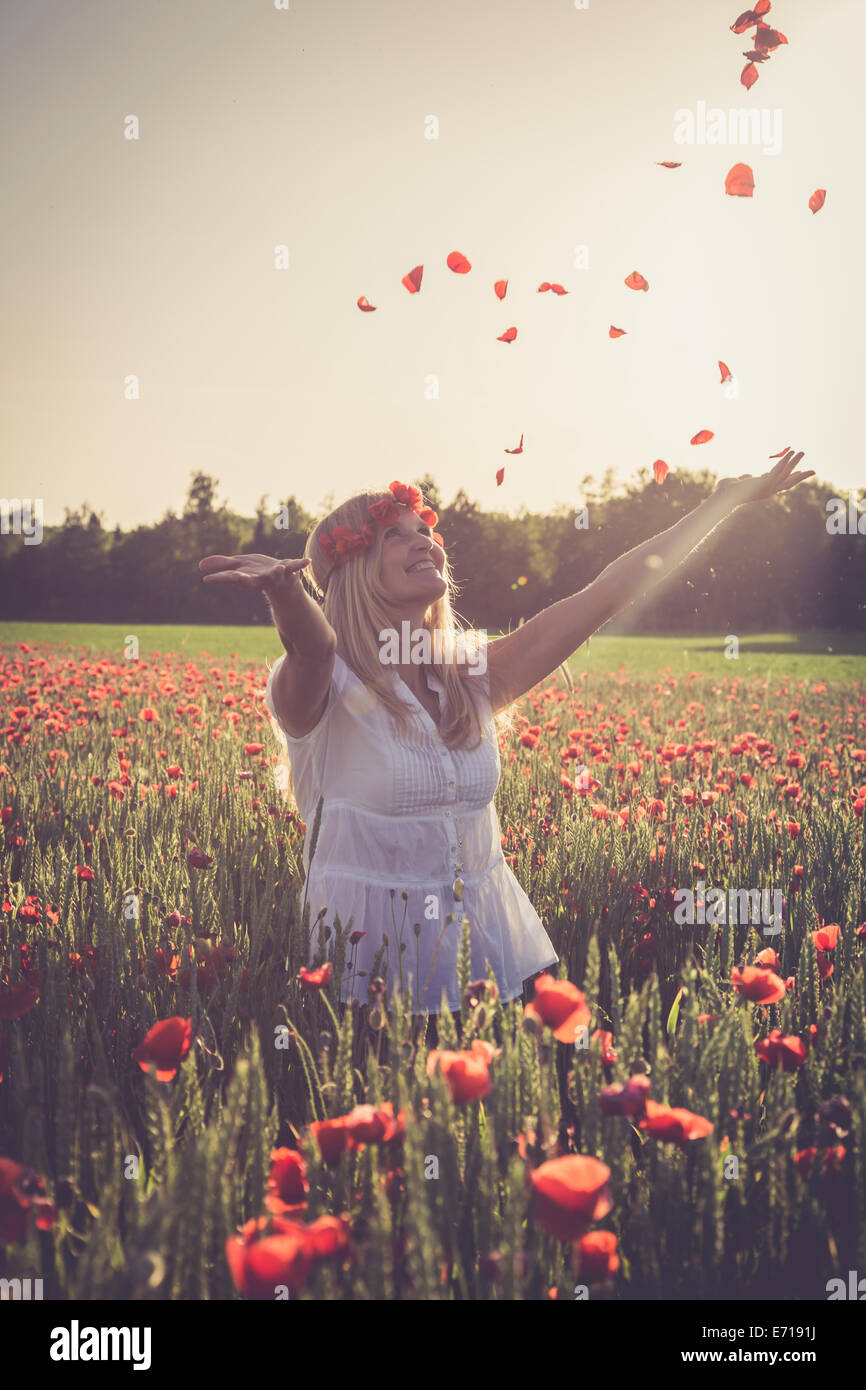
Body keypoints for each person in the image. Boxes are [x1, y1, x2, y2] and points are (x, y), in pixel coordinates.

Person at [199, 455, 812, 1024]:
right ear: (352, 567)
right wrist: (285, 591)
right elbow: (316, 643)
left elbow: (610, 592)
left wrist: (721, 503)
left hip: (489, 954)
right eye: (395, 533)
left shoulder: (470, 675)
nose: (425, 540)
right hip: (371, 972)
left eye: (426, 530)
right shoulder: (320, 683)